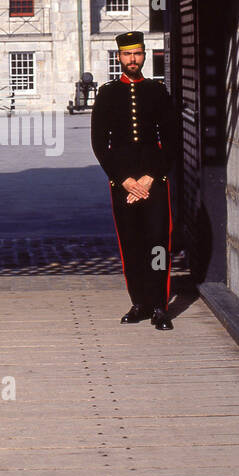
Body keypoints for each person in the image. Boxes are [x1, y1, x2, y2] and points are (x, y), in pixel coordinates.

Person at [90, 31, 178, 330]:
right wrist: (123, 180)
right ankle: (139, 302)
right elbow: (100, 143)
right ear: (119, 58)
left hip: (154, 180)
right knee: (131, 242)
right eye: (127, 55)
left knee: (157, 243)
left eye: (137, 54)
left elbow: (172, 140)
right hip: (123, 182)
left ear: (144, 55)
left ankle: (159, 306)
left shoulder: (157, 92)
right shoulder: (107, 93)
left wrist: (152, 177)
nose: (133, 59)